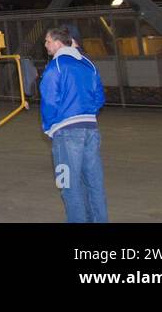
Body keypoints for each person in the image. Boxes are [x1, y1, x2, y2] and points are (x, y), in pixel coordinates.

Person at [40, 26, 108, 223]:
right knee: (93, 182)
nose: (46, 45)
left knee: (69, 184)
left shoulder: (56, 66)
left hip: (67, 132)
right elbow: (99, 97)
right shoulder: (88, 64)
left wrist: (50, 127)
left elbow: (49, 100)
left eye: (48, 41)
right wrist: (86, 112)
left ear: (59, 42)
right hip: (91, 129)